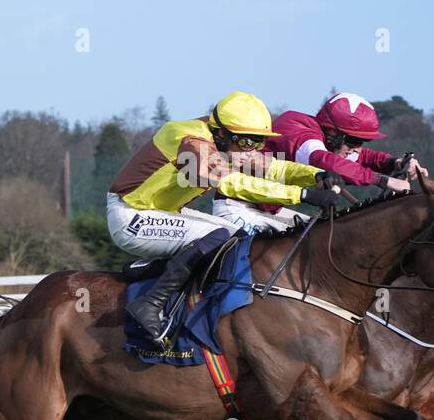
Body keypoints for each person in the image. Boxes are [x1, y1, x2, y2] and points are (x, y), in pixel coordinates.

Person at [107, 90, 344, 344]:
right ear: (221, 133)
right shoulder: (191, 142)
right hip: (131, 216)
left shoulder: (225, 139)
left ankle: (153, 269)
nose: (252, 149)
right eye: (246, 142)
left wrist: (316, 174)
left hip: (159, 213)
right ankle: (150, 304)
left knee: (238, 237)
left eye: (258, 141)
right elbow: (232, 183)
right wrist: (301, 194)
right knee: (219, 236)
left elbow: (274, 167)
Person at [211, 92, 421, 233]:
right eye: (355, 141)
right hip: (235, 208)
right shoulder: (304, 137)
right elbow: (328, 162)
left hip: (269, 211)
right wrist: (383, 181)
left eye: (361, 142)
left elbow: (362, 157)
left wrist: (393, 162)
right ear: (332, 133)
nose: (357, 148)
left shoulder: (331, 141)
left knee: (326, 240)